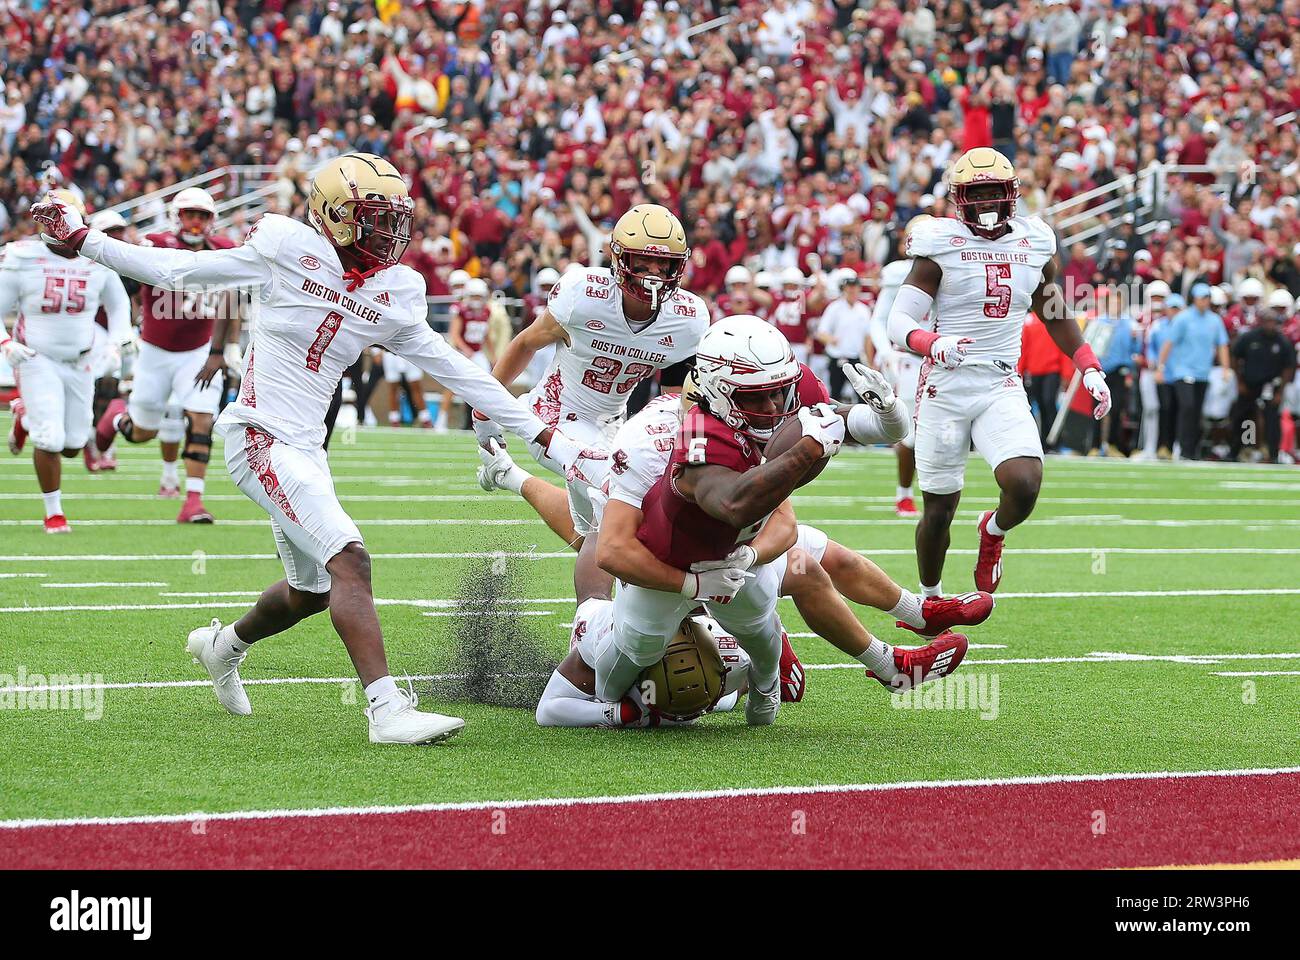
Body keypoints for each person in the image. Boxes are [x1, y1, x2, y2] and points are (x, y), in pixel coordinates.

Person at [31, 153, 594, 744]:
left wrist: (540, 432)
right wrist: (86, 240)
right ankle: (386, 710)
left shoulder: (395, 290)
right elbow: (180, 270)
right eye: (373, 218)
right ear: (334, 216)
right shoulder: (284, 248)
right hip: (260, 437)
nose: (389, 232)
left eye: (393, 218)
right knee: (350, 559)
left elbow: (461, 372)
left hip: (306, 448)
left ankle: (224, 647)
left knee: (312, 592)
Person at [589, 316, 970, 727]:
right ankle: (610, 698)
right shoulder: (670, 436)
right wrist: (693, 585)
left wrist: (889, 412)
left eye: (779, 393)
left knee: (768, 622)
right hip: (661, 561)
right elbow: (729, 506)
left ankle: (878, 645)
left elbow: (784, 513)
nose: (774, 408)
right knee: (637, 654)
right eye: (757, 398)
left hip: (734, 551)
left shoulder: (779, 391)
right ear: (715, 393)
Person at [887, 147, 1111, 597]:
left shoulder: (1034, 241)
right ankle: (931, 599)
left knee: (1025, 483)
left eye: (994, 192)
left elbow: (1053, 309)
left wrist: (1088, 366)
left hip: (1000, 381)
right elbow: (899, 323)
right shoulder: (938, 244)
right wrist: (933, 342)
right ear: (959, 198)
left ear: (1011, 194)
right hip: (946, 387)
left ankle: (993, 530)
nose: (986, 201)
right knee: (939, 510)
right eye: (977, 193)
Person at [474, 204, 708, 551]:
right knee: (621, 501)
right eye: (642, 262)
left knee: (595, 537)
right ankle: (608, 603)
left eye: (664, 264)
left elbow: (672, 400)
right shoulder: (584, 296)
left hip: (614, 423)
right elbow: (525, 343)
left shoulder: (686, 320)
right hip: (554, 414)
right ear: (618, 258)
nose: (653, 273)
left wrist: (685, 450)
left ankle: (508, 475)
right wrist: (485, 412)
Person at [91, 187, 236, 522]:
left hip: (198, 352)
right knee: (143, 432)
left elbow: (232, 299)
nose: (196, 222)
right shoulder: (155, 244)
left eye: (202, 215)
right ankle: (117, 415)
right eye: (190, 214)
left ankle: (194, 501)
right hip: (154, 352)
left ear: (211, 220)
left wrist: (220, 350)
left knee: (201, 418)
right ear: (177, 217)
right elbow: (123, 260)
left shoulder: (223, 251)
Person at [0, 191, 133, 532]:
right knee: (50, 439)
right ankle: (53, 513)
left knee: (74, 445)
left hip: (81, 361)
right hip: (36, 357)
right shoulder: (22, 257)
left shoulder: (95, 257)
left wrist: (119, 341)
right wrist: (5, 342)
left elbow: (118, 304)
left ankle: (24, 417)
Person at [1156, 283, 1230, 460]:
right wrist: (1161, 367)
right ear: (1195, 299)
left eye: (1207, 298)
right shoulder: (1183, 318)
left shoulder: (1214, 320)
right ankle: (1182, 447)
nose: (1205, 301)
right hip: (1183, 371)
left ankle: (1191, 451)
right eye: (1202, 297)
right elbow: (1168, 343)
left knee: (1197, 411)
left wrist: (1226, 368)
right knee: (1187, 407)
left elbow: (1222, 345)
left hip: (1203, 372)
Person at [1229, 305, 1296, 462]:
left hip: (1271, 386)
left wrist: (1280, 391)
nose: (1270, 325)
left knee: (1272, 419)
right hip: (1249, 384)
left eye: (1273, 322)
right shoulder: (1249, 338)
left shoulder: (1282, 342)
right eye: (1267, 321)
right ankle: (1242, 449)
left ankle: (1272, 453)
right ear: (1261, 321)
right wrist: (1239, 381)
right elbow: (1235, 356)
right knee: (1244, 417)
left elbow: (1288, 366)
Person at [816, 273, 872, 402]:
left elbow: (867, 337)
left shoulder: (864, 310)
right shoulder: (834, 308)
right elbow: (821, 332)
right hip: (837, 357)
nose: (852, 290)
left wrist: (870, 361)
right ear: (844, 289)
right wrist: (831, 340)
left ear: (859, 288)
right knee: (835, 394)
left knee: (862, 395)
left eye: (855, 286)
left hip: (855, 358)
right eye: (849, 287)